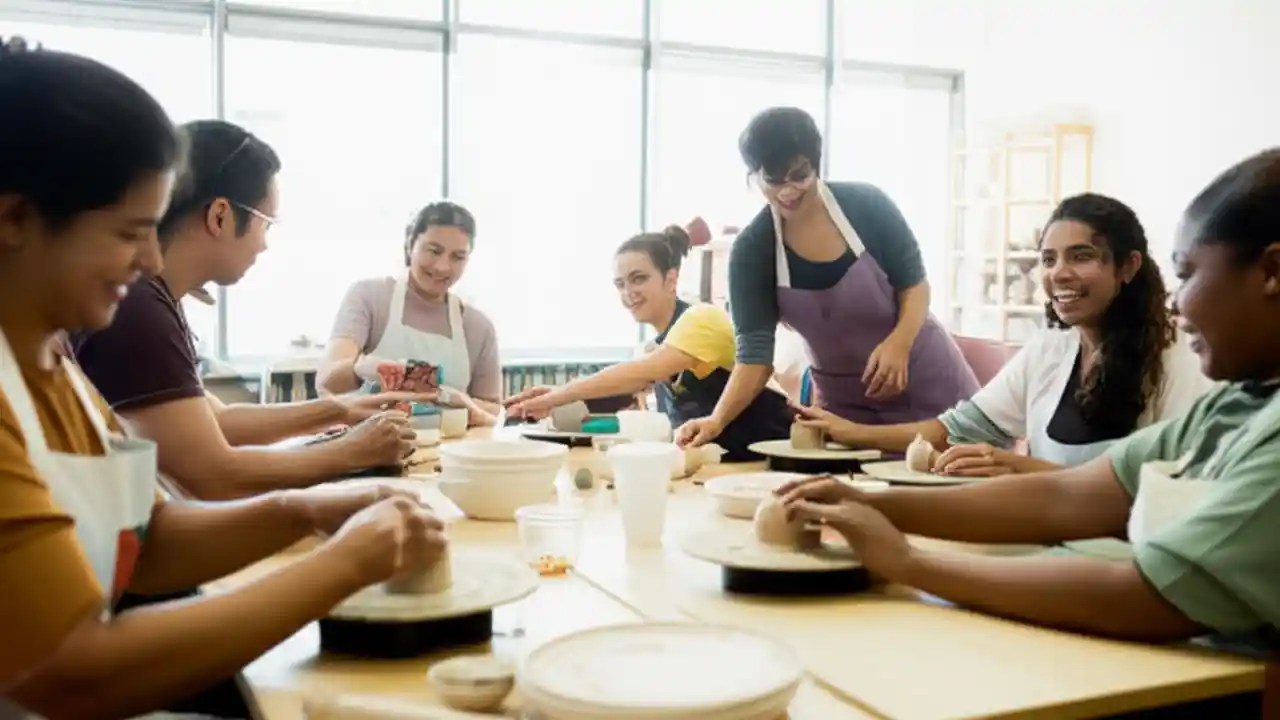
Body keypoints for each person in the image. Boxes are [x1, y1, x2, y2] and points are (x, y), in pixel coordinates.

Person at [0, 41, 443, 717]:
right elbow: (67, 670)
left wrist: (311, 510)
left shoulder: (50, 362)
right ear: (15, 218)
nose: (150, 258)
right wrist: (344, 562)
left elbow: (146, 537)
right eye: (130, 232)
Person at [779, 148, 1280, 654]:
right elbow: (1071, 498)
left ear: (1272, 271)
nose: (1178, 301)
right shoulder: (1239, 404)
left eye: (1190, 274)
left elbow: (1148, 596)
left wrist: (908, 562)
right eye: (1048, 258)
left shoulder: (1210, 385)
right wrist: (869, 502)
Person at [71, 120, 422, 501]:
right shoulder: (138, 309)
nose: (264, 246)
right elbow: (212, 476)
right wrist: (351, 451)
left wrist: (337, 410)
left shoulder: (153, 299)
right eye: (265, 223)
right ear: (219, 215)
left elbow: (218, 421)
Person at [795, 194, 1214, 476]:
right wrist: (850, 432)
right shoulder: (1052, 346)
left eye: (1081, 256)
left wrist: (1019, 468)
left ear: (1128, 266)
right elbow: (960, 429)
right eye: (1049, 260)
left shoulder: (1177, 358)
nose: (1059, 273)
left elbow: (1163, 488)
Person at [677, 107, 979, 449]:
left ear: (817, 164)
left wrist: (899, 344)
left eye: (800, 175)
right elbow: (755, 358)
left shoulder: (867, 206)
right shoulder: (753, 252)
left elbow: (916, 286)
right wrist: (716, 421)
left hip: (928, 384)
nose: (788, 190)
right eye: (774, 180)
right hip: (846, 412)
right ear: (754, 177)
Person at [505, 224, 792, 460]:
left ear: (671, 279)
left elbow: (640, 373)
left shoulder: (702, 318)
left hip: (768, 464)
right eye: (620, 284)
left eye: (638, 279)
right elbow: (625, 384)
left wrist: (556, 396)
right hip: (720, 466)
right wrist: (558, 394)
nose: (628, 292)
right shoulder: (654, 347)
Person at [317, 201, 502, 427]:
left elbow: (494, 411)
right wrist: (365, 369)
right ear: (410, 244)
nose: (442, 266)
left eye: (458, 257)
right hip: (368, 450)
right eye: (433, 250)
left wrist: (453, 400)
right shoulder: (369, 297)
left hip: (449, 455)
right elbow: (327, 382)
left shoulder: (478, 327)